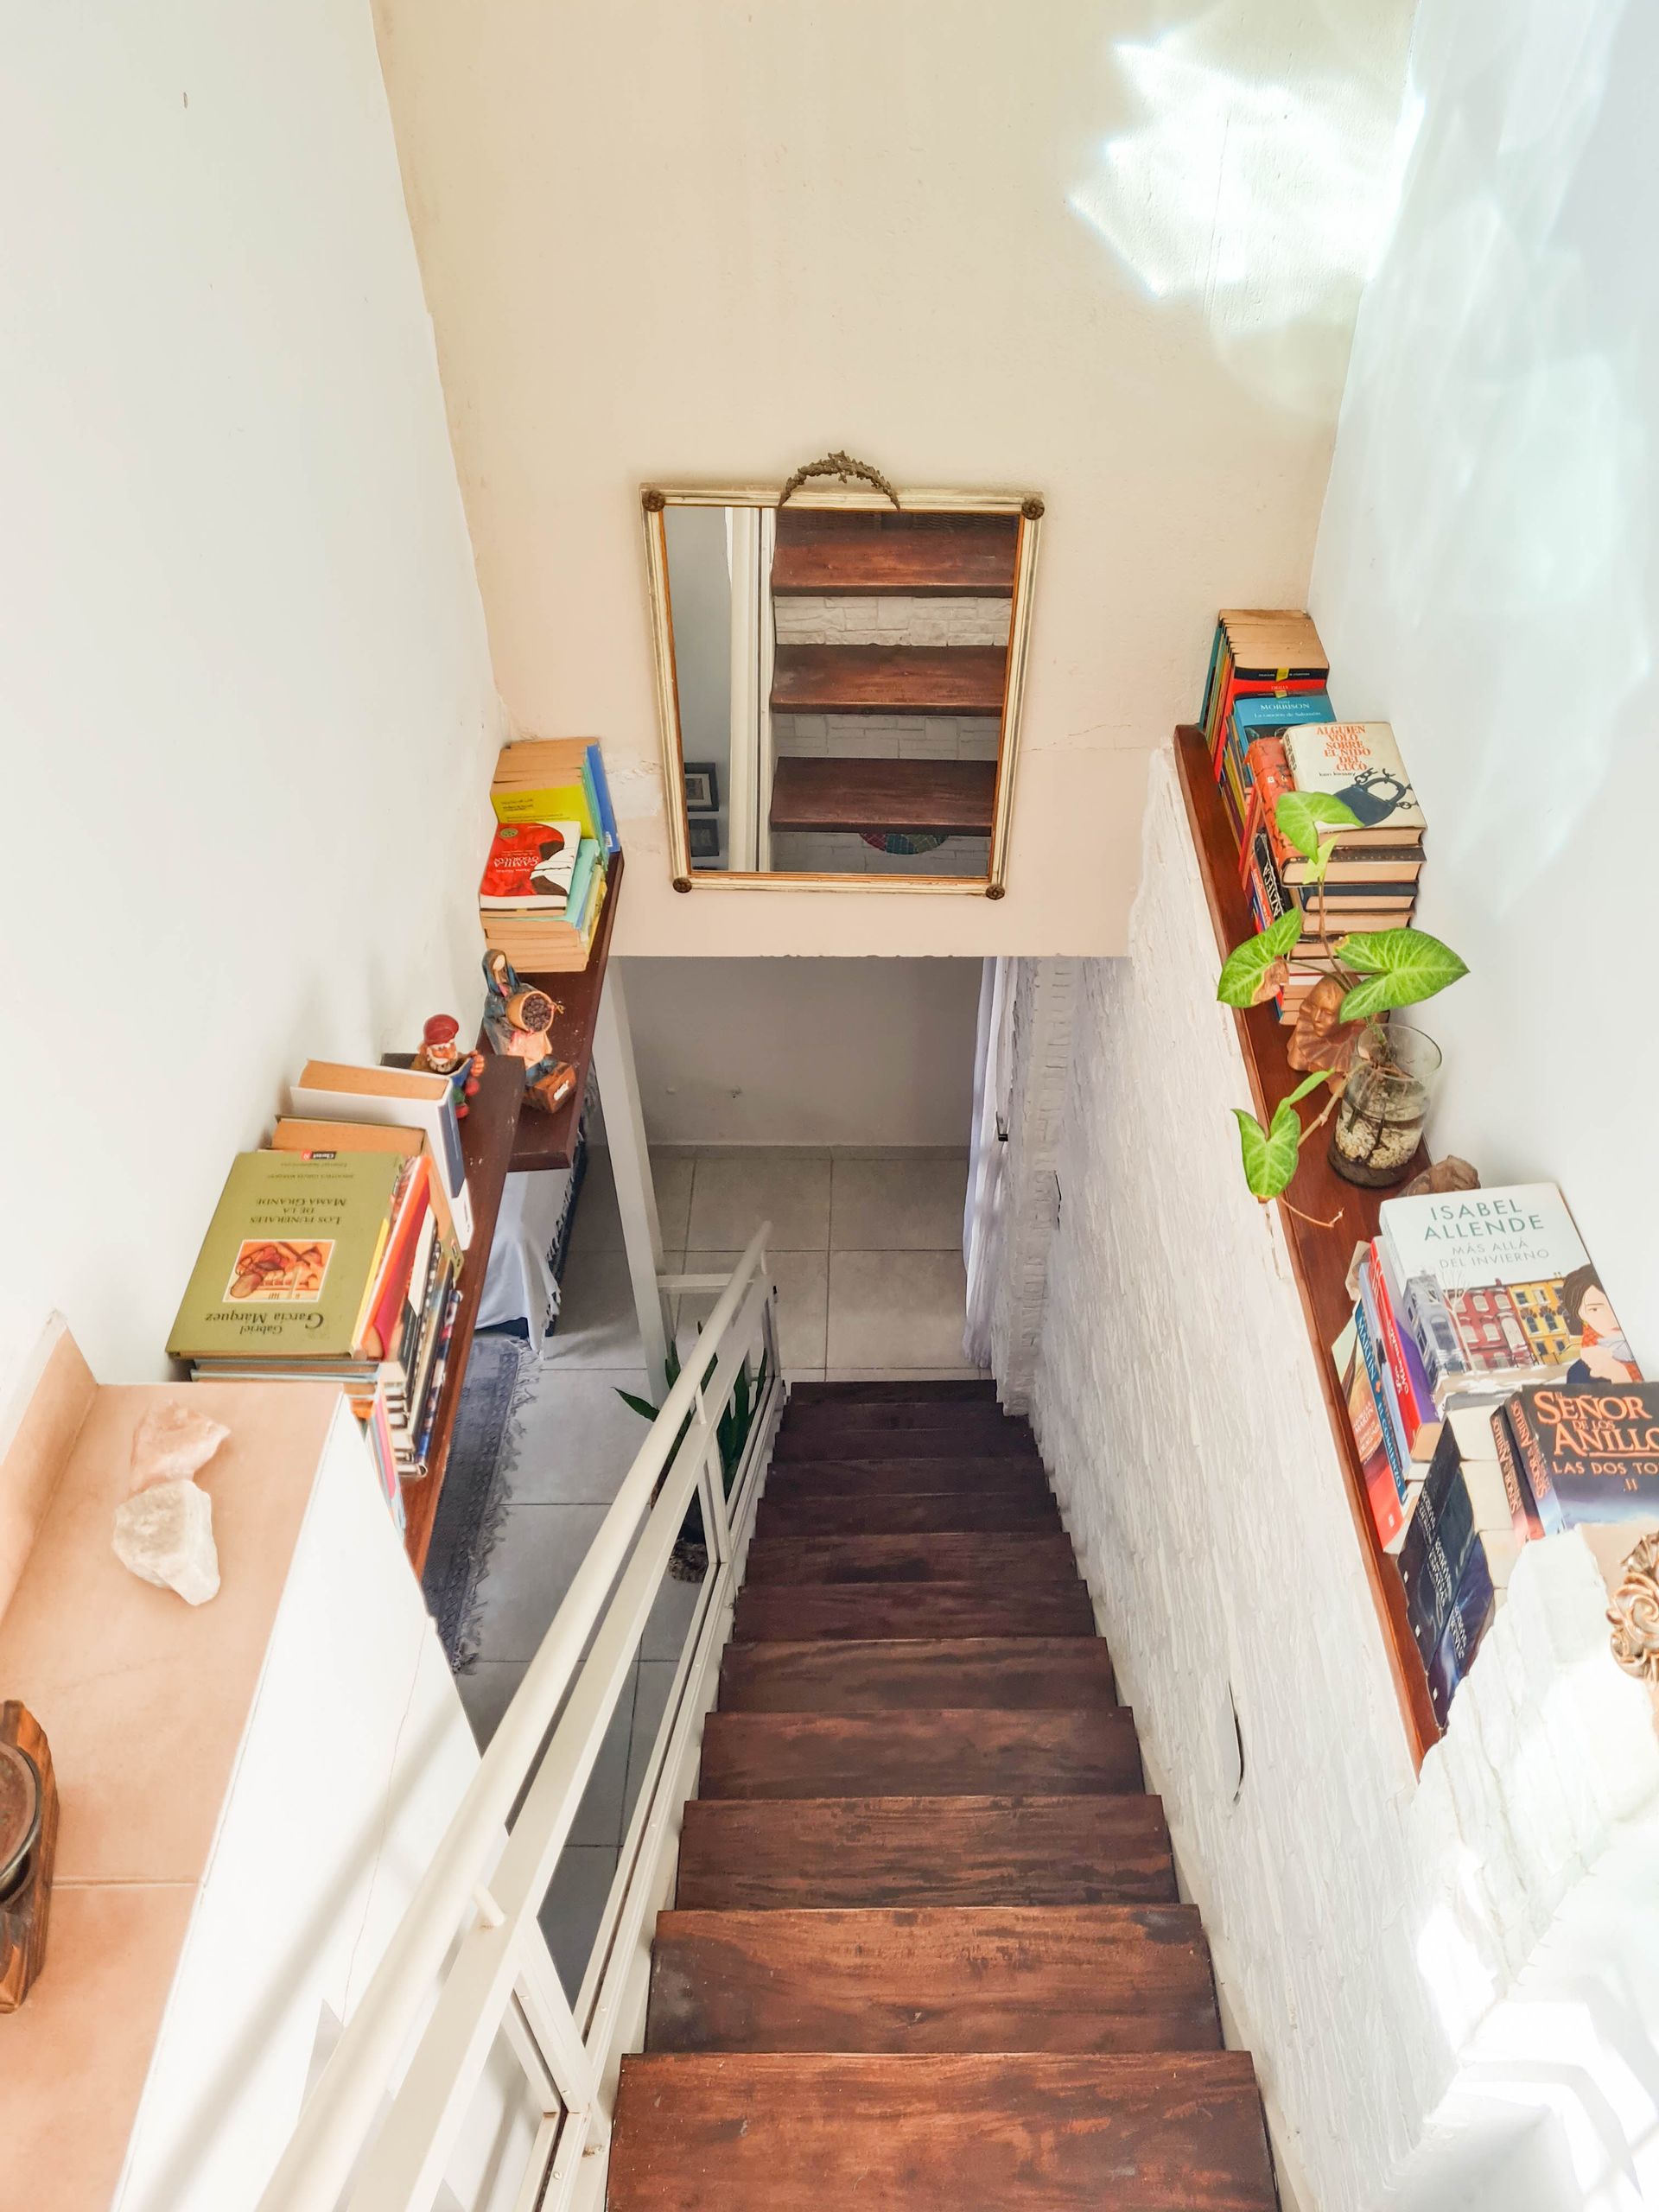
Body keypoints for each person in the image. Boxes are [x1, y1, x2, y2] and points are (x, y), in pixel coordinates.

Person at [1560, 1264, 1641, 1384]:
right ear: (1580, 1315)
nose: (1612, 1318)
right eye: (1595, 1309)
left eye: (1619, 1304)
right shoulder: (1580, 1373)